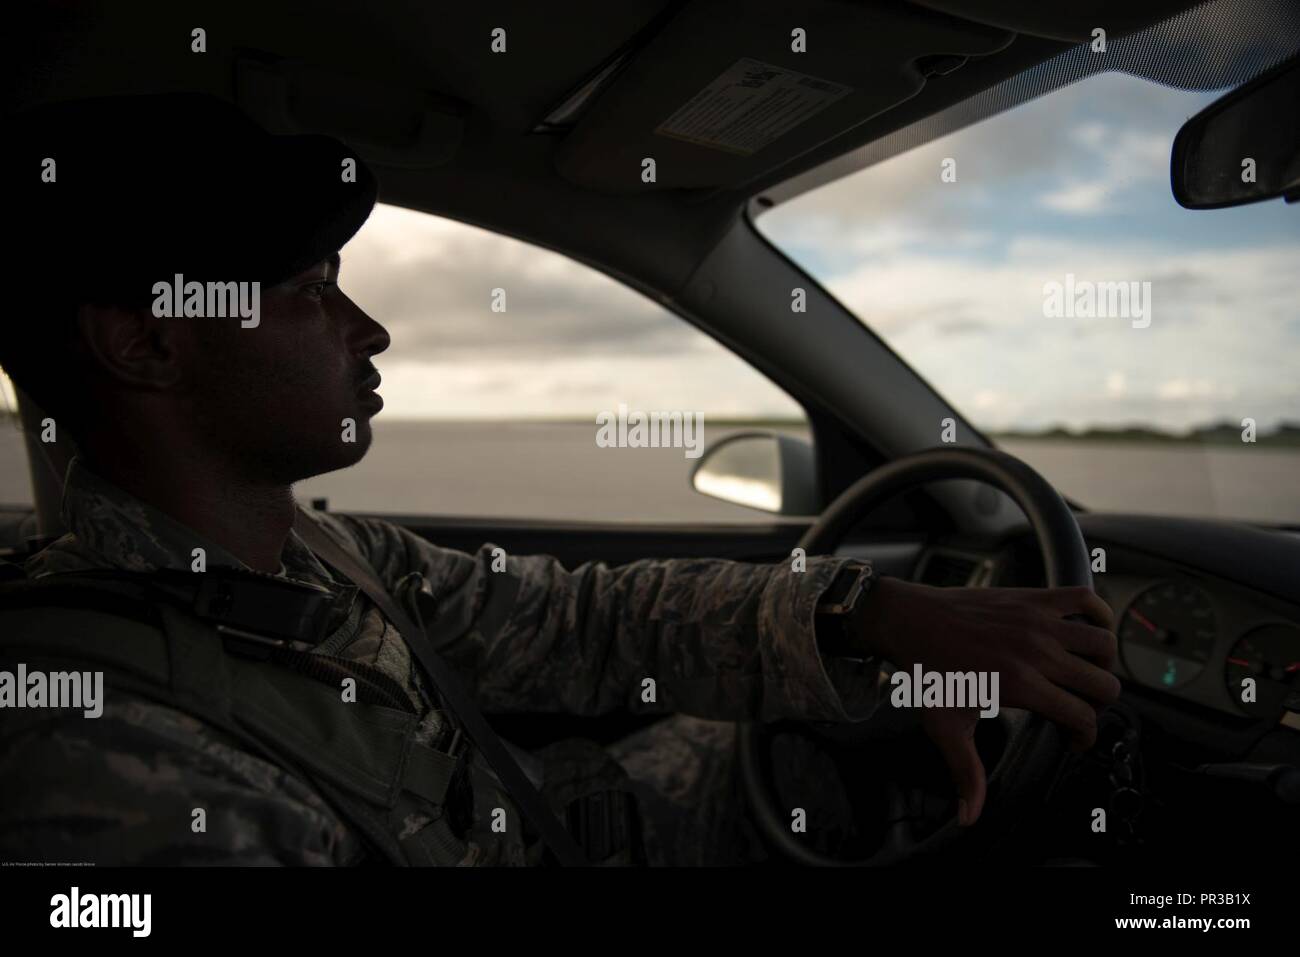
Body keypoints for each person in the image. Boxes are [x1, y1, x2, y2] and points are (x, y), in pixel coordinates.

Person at [0, 93, 1119, 866]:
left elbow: (585, 622)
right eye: (305, 289)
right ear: (147, 344)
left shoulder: (327, 556)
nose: (369, 329)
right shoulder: (102, 760)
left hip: (547, 826)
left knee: (810, 749)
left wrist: (876, 619)